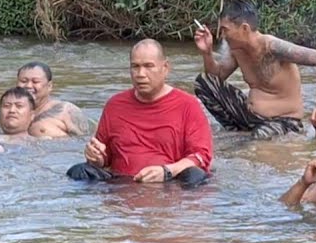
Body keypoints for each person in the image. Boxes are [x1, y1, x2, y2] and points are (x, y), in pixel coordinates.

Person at [66, 40, 213, 187]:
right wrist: (96, 158)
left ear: (165, 68)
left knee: (195, 175)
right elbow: (105, 158)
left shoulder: (188, 105)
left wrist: (167, 171)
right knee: (78, 171)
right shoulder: (115, 105)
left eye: (148, 66)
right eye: (135, 67)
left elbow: (201, 157)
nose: (140, 74)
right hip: (121, 182)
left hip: (168, 180)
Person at [194, 0, 316, 139]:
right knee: (204, 82)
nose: (222, 36)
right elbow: (216, 77)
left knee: (260, 137)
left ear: (244, 28)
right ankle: (235, 132)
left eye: (225, 30)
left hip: (283, 121)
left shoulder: (272, 47)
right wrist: (207, 53)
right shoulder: (236, 49)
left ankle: (246, 137)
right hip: (249, 116)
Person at [16, 62, 90, 138]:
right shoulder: (10, 111)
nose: (28, 86)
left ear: (49, 86)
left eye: (35, 81)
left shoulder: (66, 110)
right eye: (23, 81)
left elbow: (85, 141)